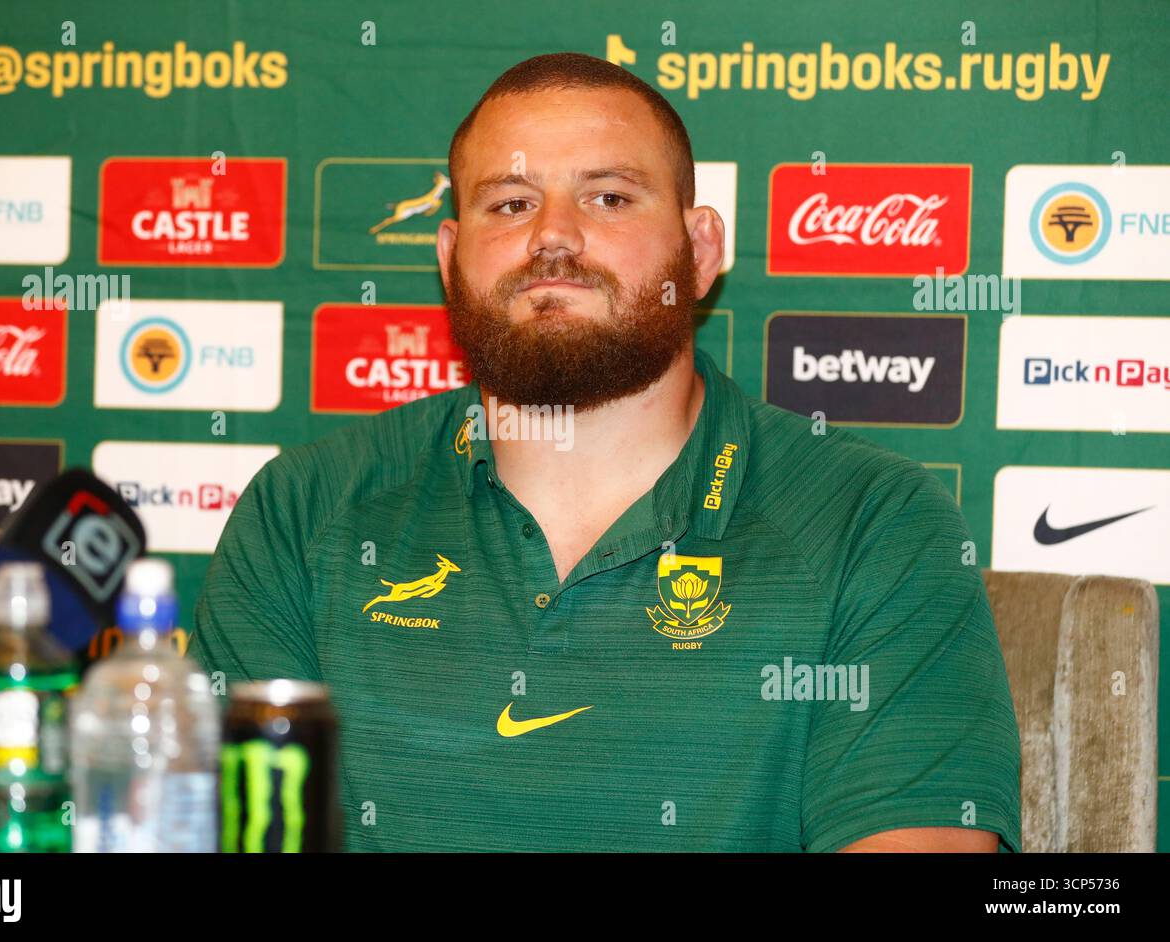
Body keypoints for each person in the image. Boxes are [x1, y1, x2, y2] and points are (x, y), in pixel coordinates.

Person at [191, 52, 1021, 852]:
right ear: (449, 259)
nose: (554, 237)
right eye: (510, 204)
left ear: (700, 252)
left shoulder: (874, 522)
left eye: (611, 198)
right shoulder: (302, 509)